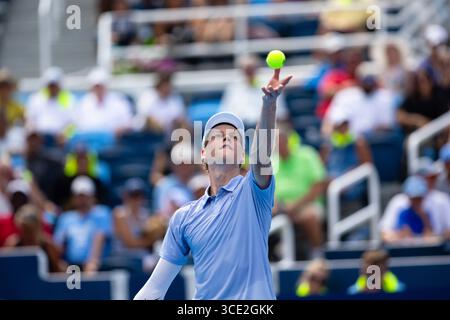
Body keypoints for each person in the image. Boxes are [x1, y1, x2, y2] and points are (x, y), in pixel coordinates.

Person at [134, 68, 292, 300]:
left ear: (241, 156)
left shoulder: (253, 192)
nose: (227, 137)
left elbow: (262, 155)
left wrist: (269, 104)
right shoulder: (184, 218)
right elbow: (155, 288)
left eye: (235, 137)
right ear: (204, 154)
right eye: (218, 135)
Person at [273, 126, 327, 259]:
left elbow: (319, 185)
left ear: (287, 141)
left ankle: (318, 254)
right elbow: (267, 190)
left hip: (306, 204)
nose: (277, 145)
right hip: (281, 208)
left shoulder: (307, 155)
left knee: (309, 216)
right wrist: (275, 205)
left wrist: (295, 205)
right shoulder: (272, 162)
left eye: (279, 141)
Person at [53, 176, 112, 274]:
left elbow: (100, 237)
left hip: (98, 267)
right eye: (79, 196)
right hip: (71, 267)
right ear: (73, 198)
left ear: (92, 196)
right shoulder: (65, 218)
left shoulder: (102, 213)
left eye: (85, 196)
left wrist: (93, 262)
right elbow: (59, 243)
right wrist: (58, 263)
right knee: (70, 283)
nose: (82, 200)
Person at [322, 63, 397, 137]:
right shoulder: (345, 95)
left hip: (377, 142)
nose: (368, 82)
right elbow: (332, 123)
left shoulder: (386, 96)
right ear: (358, 78)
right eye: (365, 79)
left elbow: (387, 126)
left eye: (371, 79)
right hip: (350, 143)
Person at [220, 54, 288, 127]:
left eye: (252, 68)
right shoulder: (233, 88)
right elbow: (225, 114)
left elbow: (281, 114)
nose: (249, 72)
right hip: (242, 130)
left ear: (257, 69)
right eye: (246, 69)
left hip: (266, 129)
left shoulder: (271, 87)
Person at [73, 68, 133, 136]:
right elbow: (76, 124)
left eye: (100, 86)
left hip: (114, 143)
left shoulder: (118, 102)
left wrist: (120, 129)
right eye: (96, 86)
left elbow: (128, 123)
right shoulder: (83, 103)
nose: (98, 89)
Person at [25, 67, 75, 137]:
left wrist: (65, 135)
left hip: (61, 140)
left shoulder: (69, 99)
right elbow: (30, 121)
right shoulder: (35, 99)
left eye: (55, 84)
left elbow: (73, 124)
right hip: (39, 139)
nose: (52, 87)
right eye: (50, 85)